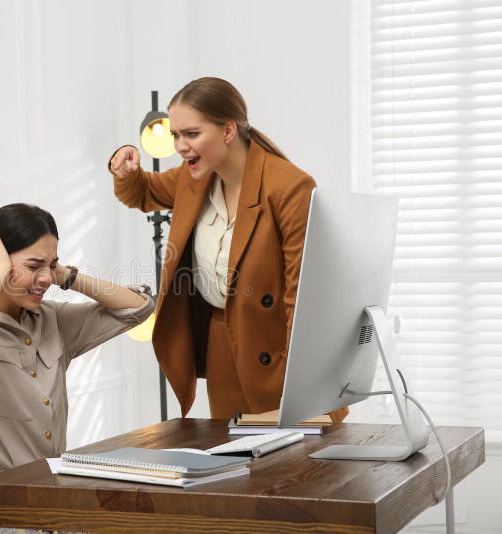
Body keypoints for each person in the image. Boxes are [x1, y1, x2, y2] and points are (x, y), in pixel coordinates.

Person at [109, 77, 347, 423]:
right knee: (232, 460)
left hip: (277, 347)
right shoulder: (194, 179)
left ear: (228, 130)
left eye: (191, 134)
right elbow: (142, 193)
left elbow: (304, 296)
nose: (180, 145)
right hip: (223, 341)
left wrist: (303, 385)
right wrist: (123, 168)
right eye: (176, 135)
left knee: (290, 466)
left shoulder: (289, 187)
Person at [0, 203, 154, 534]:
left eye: (51, 264)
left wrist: (65, 275)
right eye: (34, 265)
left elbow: (138, 307)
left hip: (49, 492)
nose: (45, 278)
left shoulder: (53, 320)